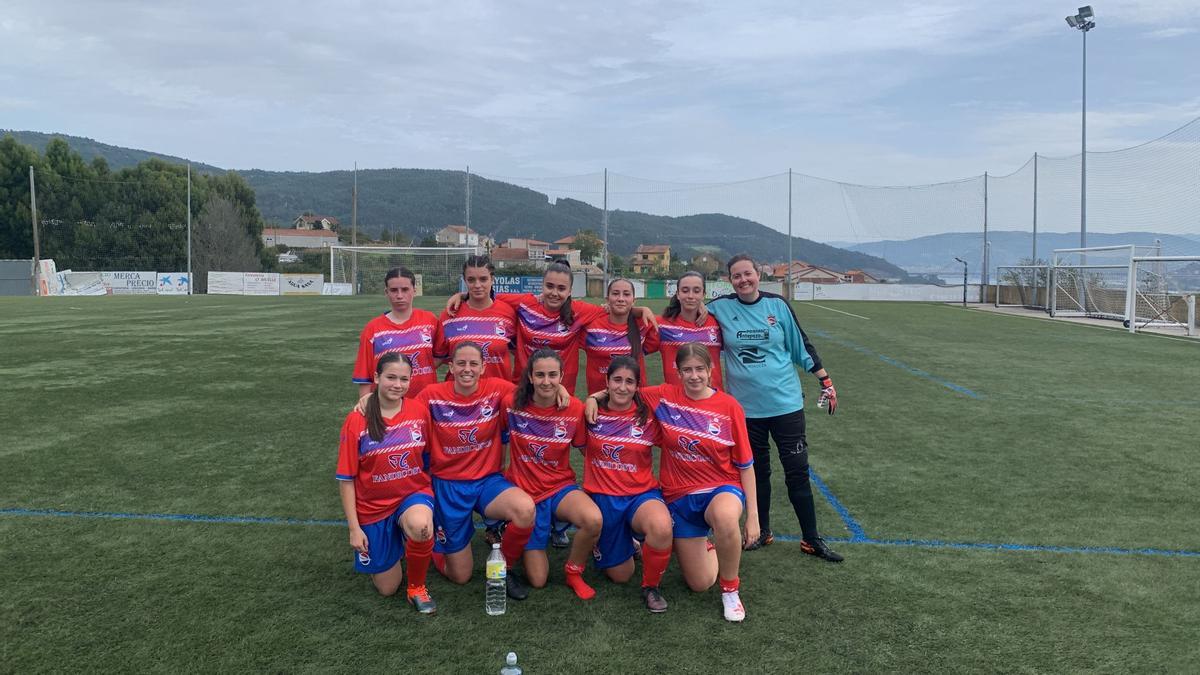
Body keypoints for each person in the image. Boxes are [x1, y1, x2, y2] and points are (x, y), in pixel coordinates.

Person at [588, 344, 758, 621]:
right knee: (700, 583)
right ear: (677, 372)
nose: (694, 376)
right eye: (687, 370)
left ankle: (730, 591)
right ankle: (706, 545)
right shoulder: (664, 397)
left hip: (720, 488)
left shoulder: (729, 407)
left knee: (726, 517)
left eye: (700, 369)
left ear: (711, 370)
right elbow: (624, 389)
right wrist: (593, 398)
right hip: (679, 499)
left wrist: (753, 516)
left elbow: (746, 466)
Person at [706, 254, 843, 562]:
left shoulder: (777, 306)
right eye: (736, 276)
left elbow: (800, 345)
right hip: (745, 411)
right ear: (729, 280)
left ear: (758, 275)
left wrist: (825, 380)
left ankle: (811, 539)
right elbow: (686, 312)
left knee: (797, 472)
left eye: (748, 273)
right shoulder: (719, 308)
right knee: (757, 472)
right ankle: (762, 531)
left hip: (785, 406)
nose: (743, 280)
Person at [412, 341, 570, 600]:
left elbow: (534, 389)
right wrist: (369, 401)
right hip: (449, 486)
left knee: (524, 509)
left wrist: (560, 387)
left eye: (473, 363)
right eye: (461, 363)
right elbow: (404, 412)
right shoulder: (432, 394)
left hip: (488, 482)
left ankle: (503, 566)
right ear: (450, 367)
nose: (467, 369)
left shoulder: (497, 389)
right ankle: (437, 548)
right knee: (460, 576)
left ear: (483, 367)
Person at [445, 262, 657, 395]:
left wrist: (640, 310)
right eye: (550, 286)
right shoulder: (525, 304)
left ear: (570, 291)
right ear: (542, 286)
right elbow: (486, 294)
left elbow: (616, 308)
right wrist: (462, 295)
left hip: (561, 388)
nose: (554, 293)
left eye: (561, 288)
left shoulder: (580, 311)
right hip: (524, 385)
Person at [336, 353, 437, 613]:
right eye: (391, 377)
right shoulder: (356, 421)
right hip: (373, 507)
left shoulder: (418, 411)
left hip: (412, 494)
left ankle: (416, 587)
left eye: (404, 379)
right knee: (388, 588)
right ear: (377, 377)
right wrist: (354, 528)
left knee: (420, 526)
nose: (398, 385)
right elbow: (346, 480)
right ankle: (393, 544)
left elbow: (426, 459)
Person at [504, 349, 603, 600]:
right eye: (540, 375)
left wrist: (594, 397)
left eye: (552, 375)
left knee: (593, 519)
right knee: (538, 580)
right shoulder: (511, 404)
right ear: (530, 377)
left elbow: (585, 450)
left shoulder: (574, 408)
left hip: (559, 488)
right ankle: (515, 529)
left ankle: (574, 572)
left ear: (561, 376)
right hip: (524, 494)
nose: (546, 381)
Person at [578, 355, 674, 613]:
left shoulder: (648, 417)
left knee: (662, 526)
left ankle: (651, 587)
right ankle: (622, 540)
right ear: (607, 381)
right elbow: (579, 446)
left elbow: (674, 443)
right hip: (604, 499)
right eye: (617, 380)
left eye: (629, 382)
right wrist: (592, 399)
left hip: (640, 495)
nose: (622, 387)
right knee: (621, 575)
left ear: (637, 386)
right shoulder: (590, 414)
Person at [353, 267, 442, 399]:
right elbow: (365, 375)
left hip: (425, 401)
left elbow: (440, 355)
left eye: (405, 289)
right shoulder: (373, 329)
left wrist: (419, 370)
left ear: (414, 290)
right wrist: (366, 404)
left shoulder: (430, 321)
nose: (399, 296)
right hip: (387, 403)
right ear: (386, 292)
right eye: (394, 290)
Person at [437, 255, 517, 381]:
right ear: (465, 280)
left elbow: (520, 352)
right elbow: (437, 358)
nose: (477, 285)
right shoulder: (449, 315)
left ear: (492, 279)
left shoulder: (508, 313)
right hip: (459, 391)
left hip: (498, 391)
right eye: (471, 280)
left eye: (483, 279)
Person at [580, 278, 660, 396]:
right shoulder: (591, 327)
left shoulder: (645, 323)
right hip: (600, 399)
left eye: (626, 294)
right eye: (615, 294)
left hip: (635, 399)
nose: (621, 298)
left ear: (633, 300)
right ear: (607, 299)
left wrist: (642, 310)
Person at [658, 271, 723, 390]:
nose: (690, 296)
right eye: (685, 291)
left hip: (713, 397)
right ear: (677, 294)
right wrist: (641, 310)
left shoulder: (717, 322)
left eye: (696, 291)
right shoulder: (662, 325)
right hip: (677, 399)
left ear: (703, 295)